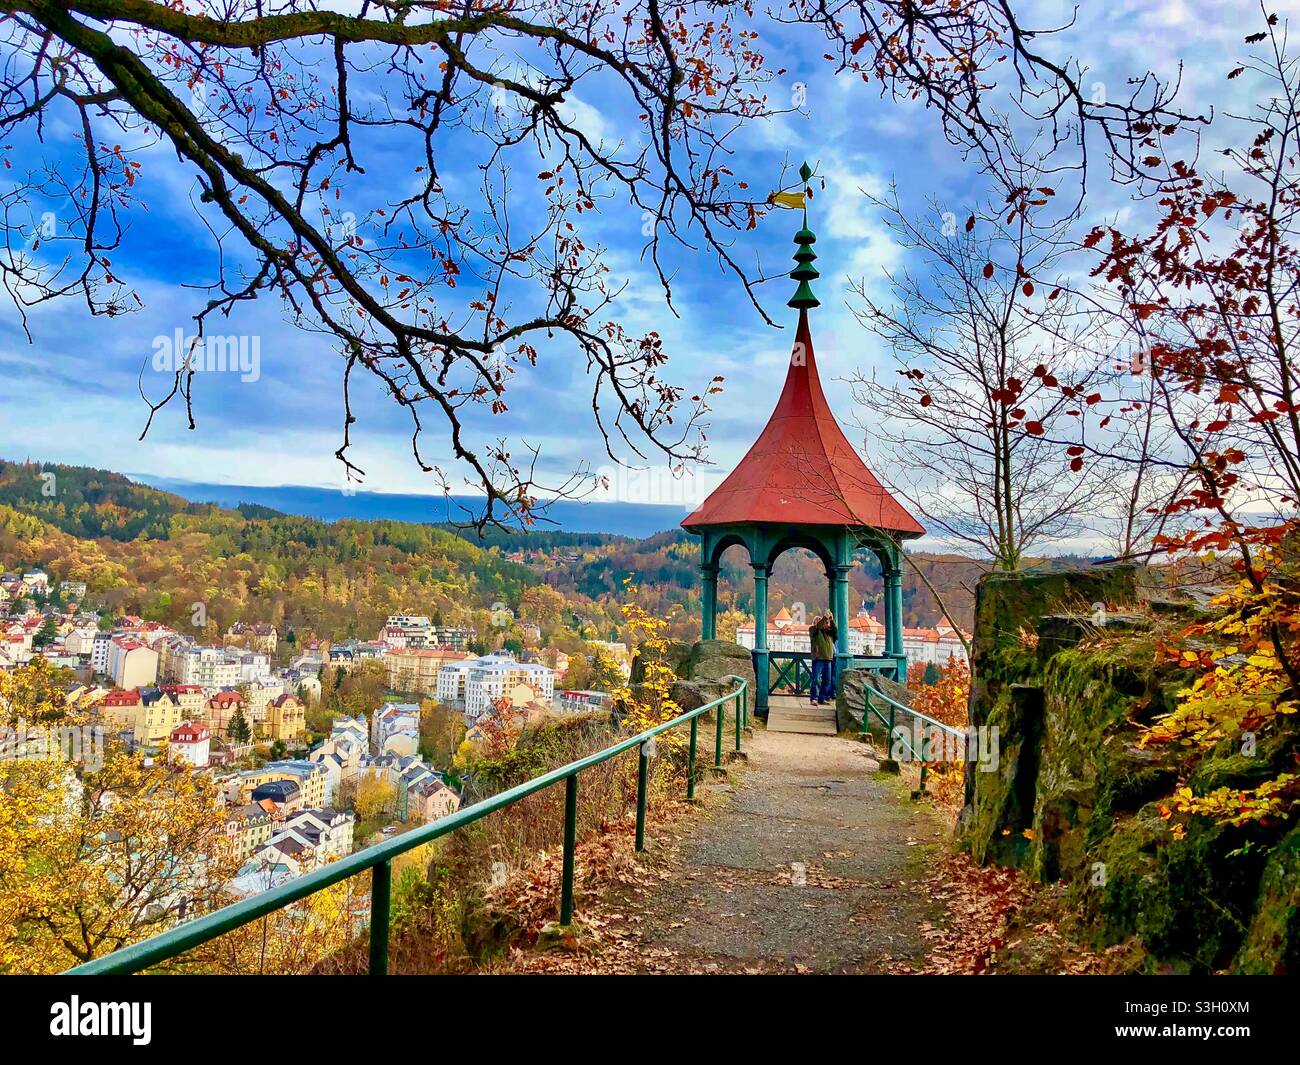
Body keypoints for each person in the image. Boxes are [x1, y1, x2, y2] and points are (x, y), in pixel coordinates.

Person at [808, 611, 837, 705]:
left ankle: (822, 698)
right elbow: (819, 627)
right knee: (815, 679)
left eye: (820, 620)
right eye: (817, 620)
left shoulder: (829, 632)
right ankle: (813, 698)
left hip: (828, 658)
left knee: (827, 680)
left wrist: (831, 621)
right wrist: (824, 618)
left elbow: (835, 631)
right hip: (818, 658)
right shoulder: (813, 630)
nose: (819, 621)